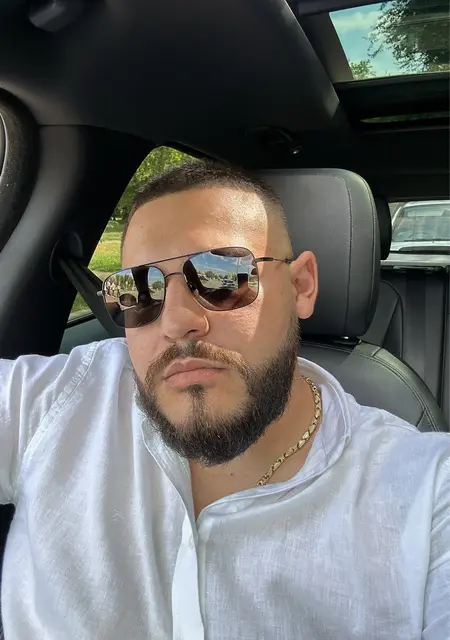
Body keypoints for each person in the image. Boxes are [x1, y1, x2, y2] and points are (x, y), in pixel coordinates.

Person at [0, 161, 449, 640]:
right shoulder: (54, 398)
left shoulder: (427, 495)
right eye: (140, 290)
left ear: (301, 285)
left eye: (220, 276)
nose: (177, 322)